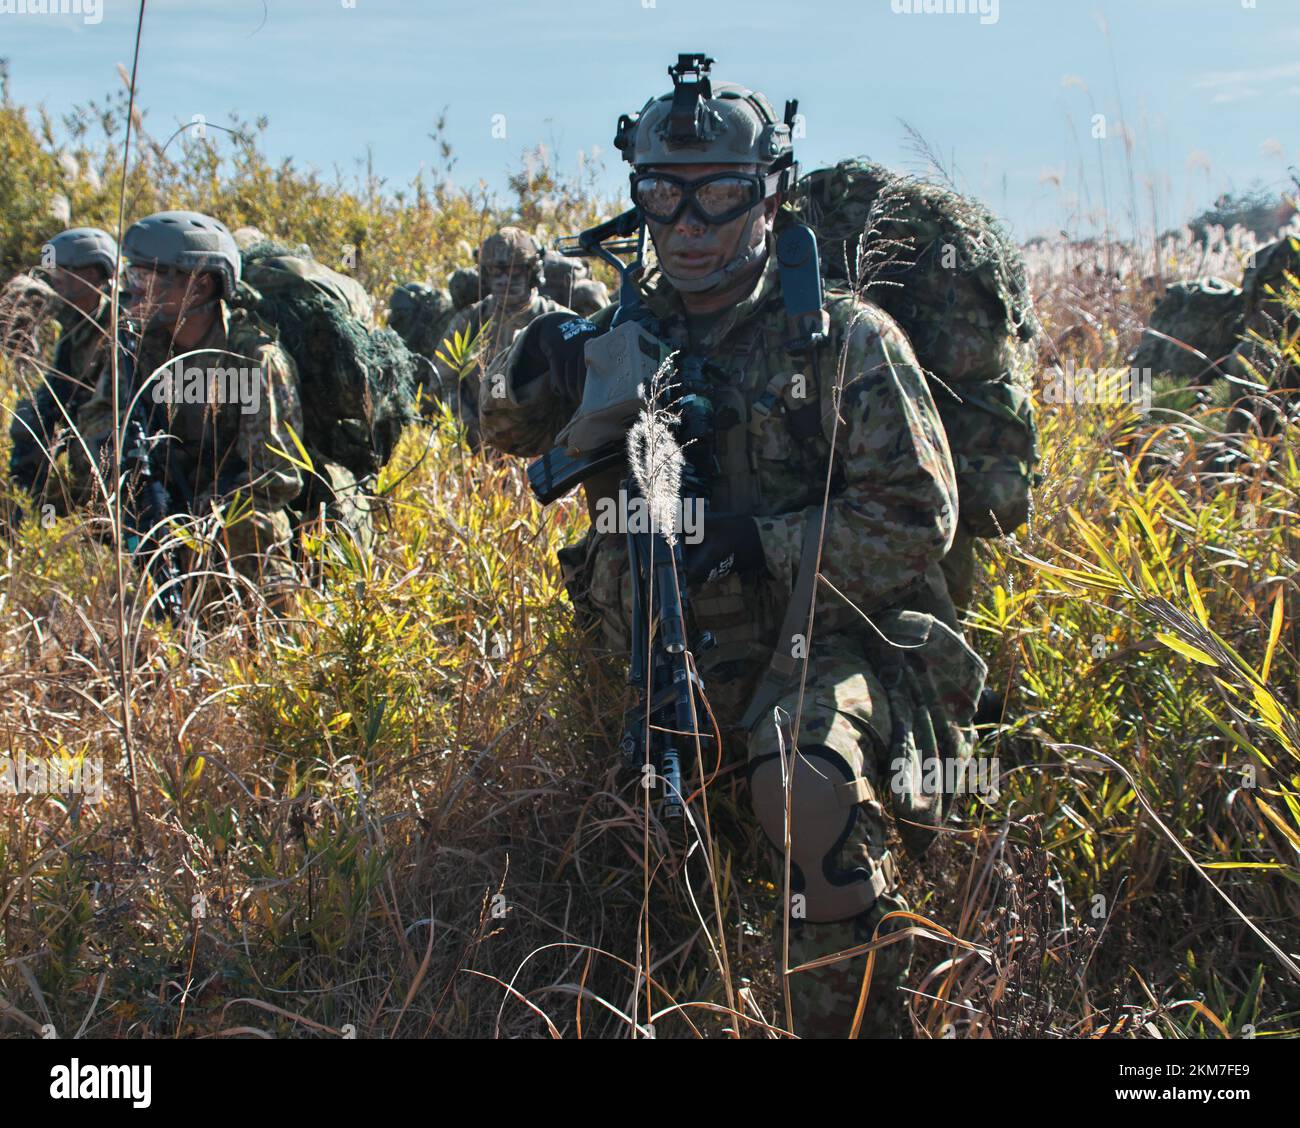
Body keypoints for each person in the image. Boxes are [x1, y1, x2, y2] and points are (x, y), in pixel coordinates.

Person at [479, 56, 985, 1037]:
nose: (689, 226)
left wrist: (761, 545)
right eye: (662, 197)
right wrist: (539, 356)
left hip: (835, 645)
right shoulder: (619, 331)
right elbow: (499, 433)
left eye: (719, 195)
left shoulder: (842, 341)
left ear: (769, 197)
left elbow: (918, 520)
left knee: (804, 788)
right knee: (639, 868)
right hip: (661, 662)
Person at [74, 210, 306, 600]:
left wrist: (201, 514)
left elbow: (276, 475)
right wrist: (123, 468)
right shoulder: (135, 349)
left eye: (150, 276)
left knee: (254, 525)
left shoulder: (252, 358)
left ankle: (268, 640)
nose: (135, 288)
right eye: (134, 273)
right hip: (159, 500)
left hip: (226, 517)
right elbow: (97, 420)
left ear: (198, 286)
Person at [7, 227, 117, 509]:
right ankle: (23, 507)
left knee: (91, 446)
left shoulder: (119, 323)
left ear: (90, 275)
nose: (54, 278)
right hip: (75, 403)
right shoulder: (72, 314)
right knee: (30, 418)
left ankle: (97, 519)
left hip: (107, 413)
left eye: (61, 270)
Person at [431, 227, 570, 448]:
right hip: (481, 449)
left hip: (547, 444)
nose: (506, 280)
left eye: (516, 272)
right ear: (486, 276)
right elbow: (442, 380)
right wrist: (471, 430)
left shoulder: (556, 319)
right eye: (498, 273)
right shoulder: (470, 321)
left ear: (531, 273)